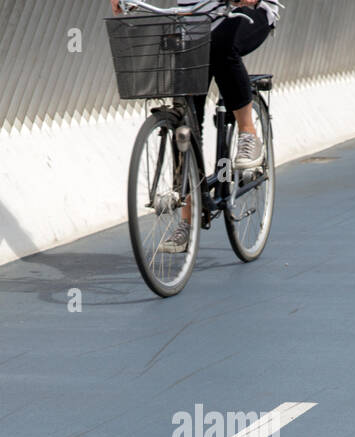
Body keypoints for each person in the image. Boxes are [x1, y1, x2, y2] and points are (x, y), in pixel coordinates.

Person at [110, 0, 280, 252]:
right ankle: (188, 219)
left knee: (223, 47)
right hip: (194, 22)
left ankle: (248, 133)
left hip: (246, 12)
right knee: (187, 121)